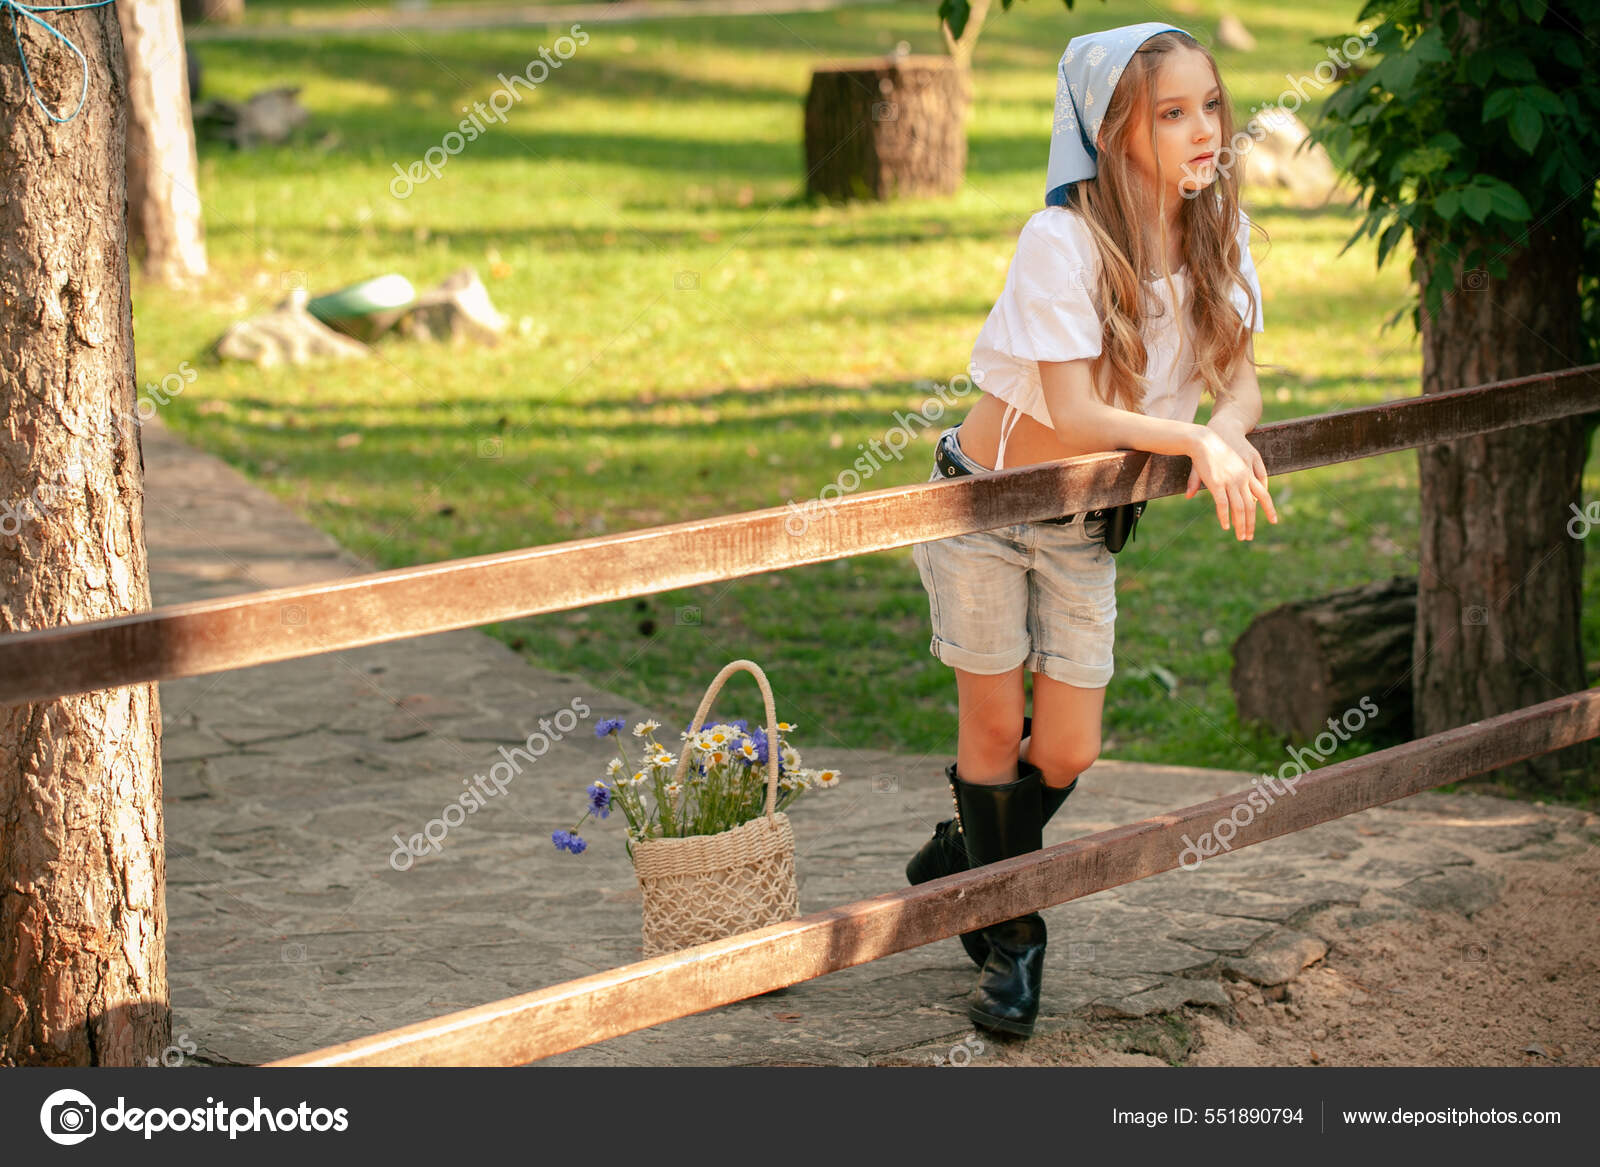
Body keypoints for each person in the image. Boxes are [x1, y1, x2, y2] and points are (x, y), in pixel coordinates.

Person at [906, 23, 1279, 1037]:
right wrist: (1189, 444)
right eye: (1172, 113)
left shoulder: (1216, 236)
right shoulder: (1059, 242)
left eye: (1210, 105)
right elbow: (1069, 412)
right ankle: (1014, 937)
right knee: (990, 730)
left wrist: (1223, 432)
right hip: (984, 506)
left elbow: (1236, 376)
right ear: (1112, 133)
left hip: (1082, 527)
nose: (1204, 129)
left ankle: (962, 858)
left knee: (1066, 749)